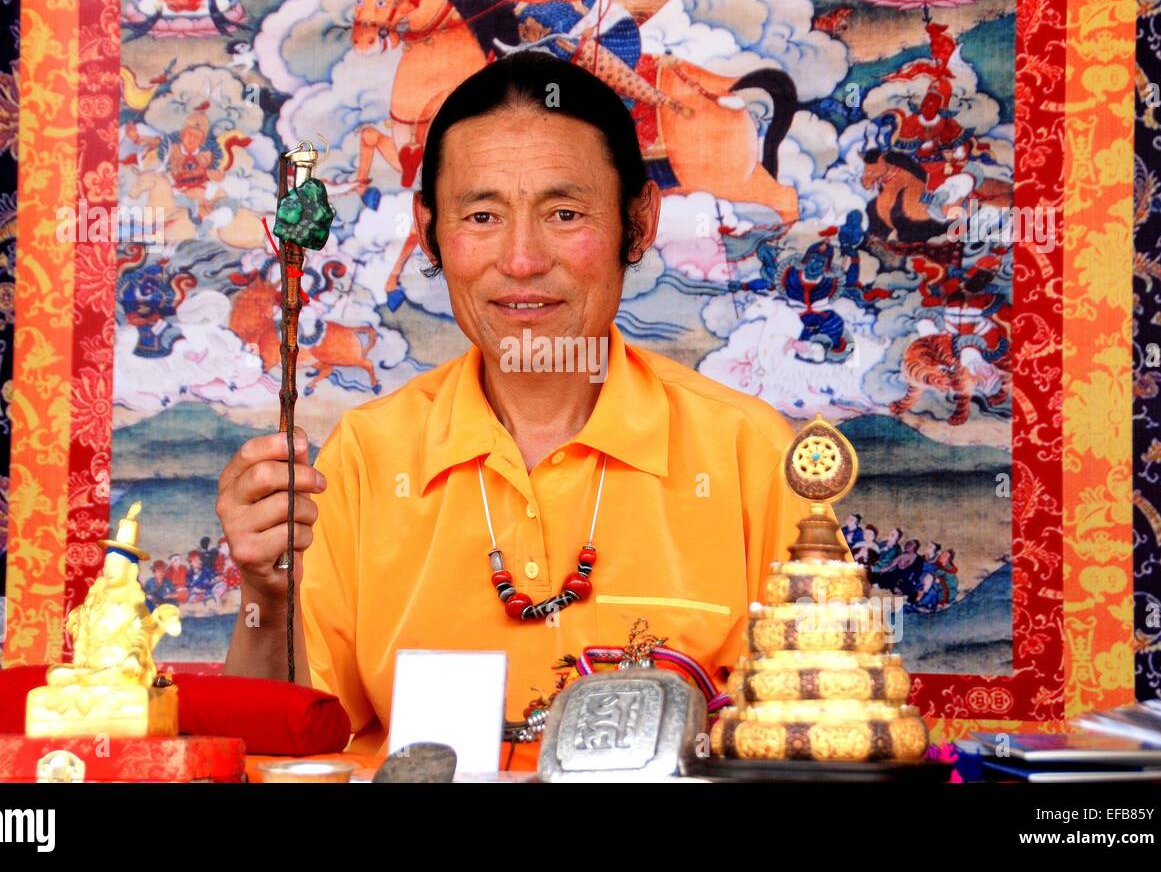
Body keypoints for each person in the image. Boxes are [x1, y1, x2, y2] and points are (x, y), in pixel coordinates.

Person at [218, 51, 830, 756]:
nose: (521, 260)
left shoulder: (749, 453)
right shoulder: (365, 457)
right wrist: (266, 596)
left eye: (564, 213)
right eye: (482, 215)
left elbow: (814, 738)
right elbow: (286, 742)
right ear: (428, 234)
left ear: (639, 222)